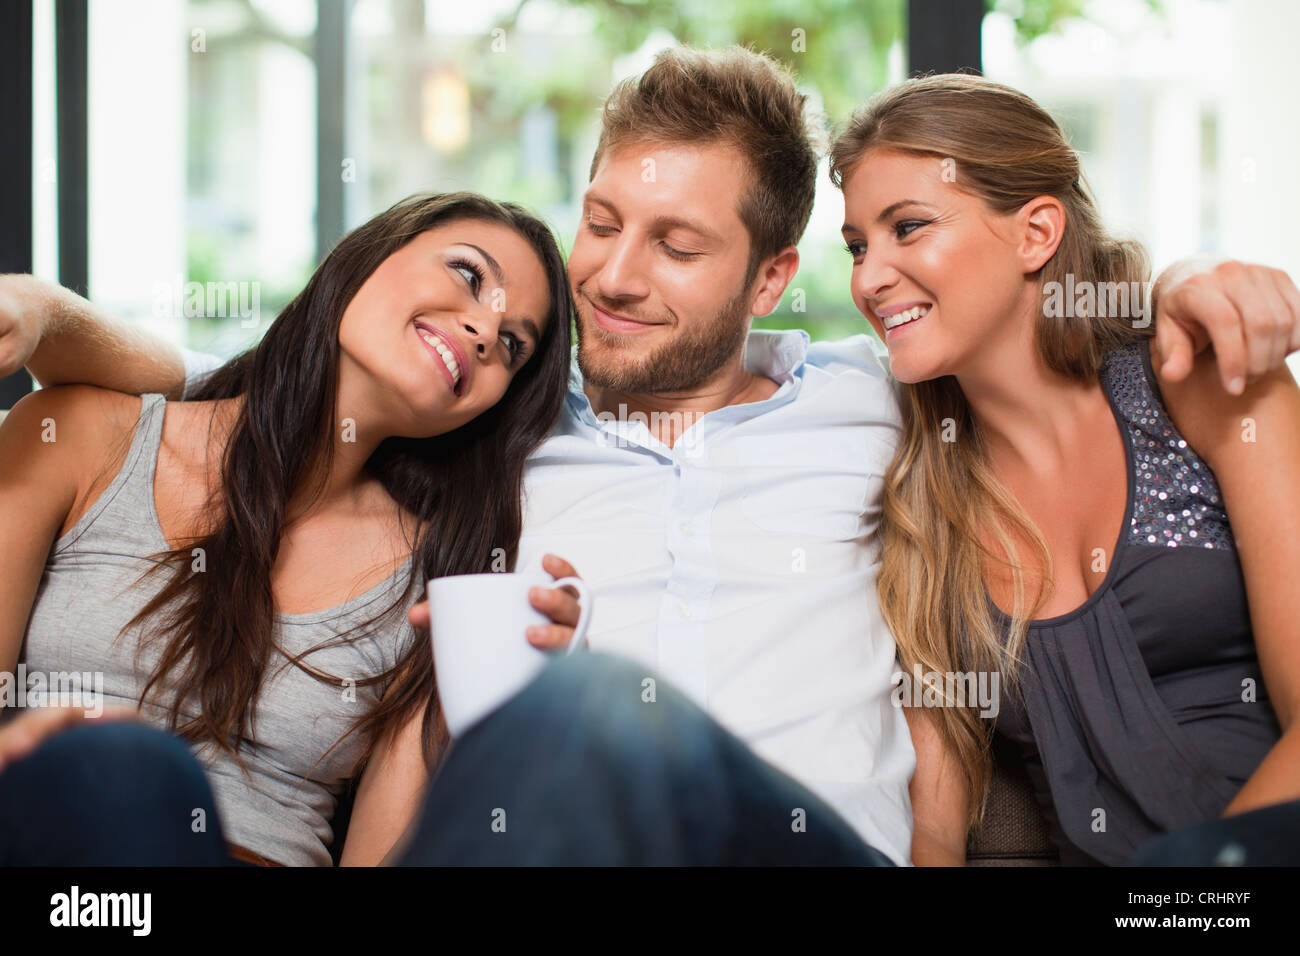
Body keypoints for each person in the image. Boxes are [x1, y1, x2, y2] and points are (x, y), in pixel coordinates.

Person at [3, 47, 1296, 866]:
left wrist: (1186, 280)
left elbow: (1033, 316)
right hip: (569, 831)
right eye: (604, 222)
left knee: (578, 713)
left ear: (777, 276)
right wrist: (56, 318)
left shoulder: (876, 399)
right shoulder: (489, 440)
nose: (612, 281)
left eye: (677, 247)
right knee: (555, 720)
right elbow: (243, 402)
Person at [0, 191, 578, 866]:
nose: (485, 330)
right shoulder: (76, 435)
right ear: (371, 253)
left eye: (513, 345)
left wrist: (491, 711)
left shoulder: (436, 586)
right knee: (123, 765)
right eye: (469, 275)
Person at [830, 73, 1300, 865]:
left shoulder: (1200, 378)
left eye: (907, 228)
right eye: (857, 246)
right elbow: (937, 825)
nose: (869, 278)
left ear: (1036, 233)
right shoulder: (924, 495)